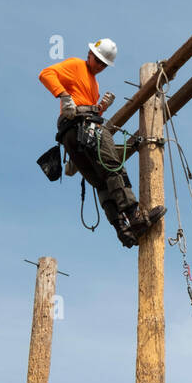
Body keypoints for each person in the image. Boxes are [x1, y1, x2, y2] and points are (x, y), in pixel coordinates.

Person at [38, 38, 165, 248]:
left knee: (101, 182)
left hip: (74, 135)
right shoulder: (76, 64)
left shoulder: (94, 84)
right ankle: (135, 216)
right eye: (97, 60)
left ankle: (123, 230)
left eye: (103, 64)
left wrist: (101, 107)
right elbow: (46, 74)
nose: (99, 66)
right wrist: (63, 96)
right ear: (90, 54)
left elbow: (84, 105)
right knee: (113, 168)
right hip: (83, 129)